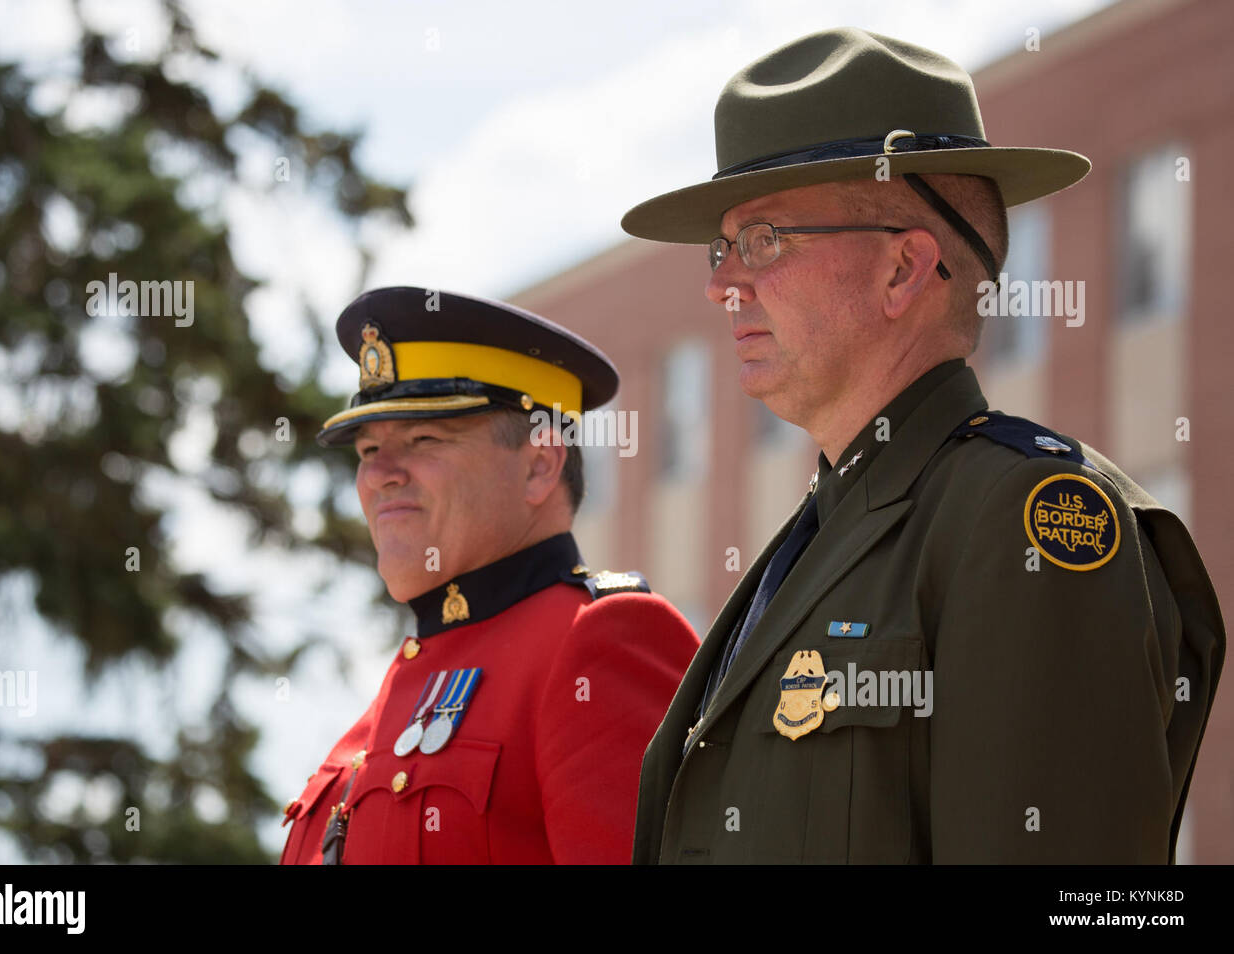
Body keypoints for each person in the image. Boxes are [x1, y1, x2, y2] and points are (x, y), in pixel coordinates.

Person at [621, 28, 1225, 863]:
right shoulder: (817, 542)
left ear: (903, 271)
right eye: (724, 248)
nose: (722, 283)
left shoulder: (1025, 520)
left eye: (765, 240)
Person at [278, 286, 699, 864]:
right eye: (368, 448)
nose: (380, 475)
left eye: (424, 439)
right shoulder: (403, 682)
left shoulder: (600, 641)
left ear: (539, 466)